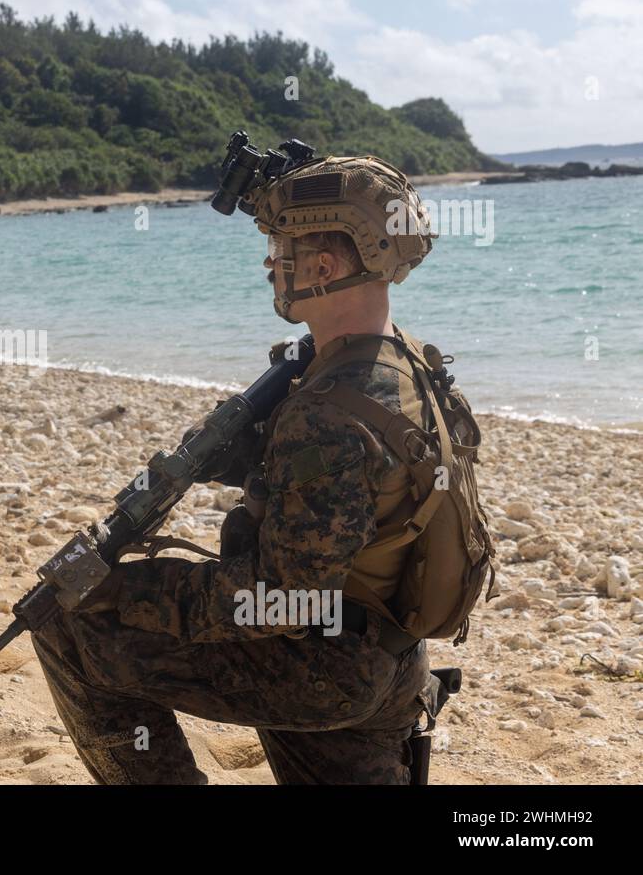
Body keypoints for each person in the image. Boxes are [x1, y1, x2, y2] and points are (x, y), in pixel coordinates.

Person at [29, 155, 490, 784]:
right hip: (390, 651)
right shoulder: (399, 359)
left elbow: (280, 601)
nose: (270, 264)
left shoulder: (329, 412)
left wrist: (126, 590)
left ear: (324, 267)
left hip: (325, 674)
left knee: (69, 624)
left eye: (281, 249)